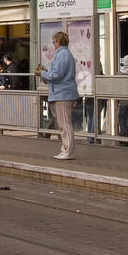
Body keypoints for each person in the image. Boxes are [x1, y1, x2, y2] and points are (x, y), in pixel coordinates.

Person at [35, 31, 78, 161]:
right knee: (63, 124)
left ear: (58, 42)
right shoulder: (64, 54)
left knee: (65, 124)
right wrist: (45, 73)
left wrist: (42, 74)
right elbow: (56, 74)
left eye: (54, 42)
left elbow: (56, 75)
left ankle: (68, 150)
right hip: (62, 93)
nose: (53, 44)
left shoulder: (62, 55)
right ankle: (65, 149)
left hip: (63, 94)